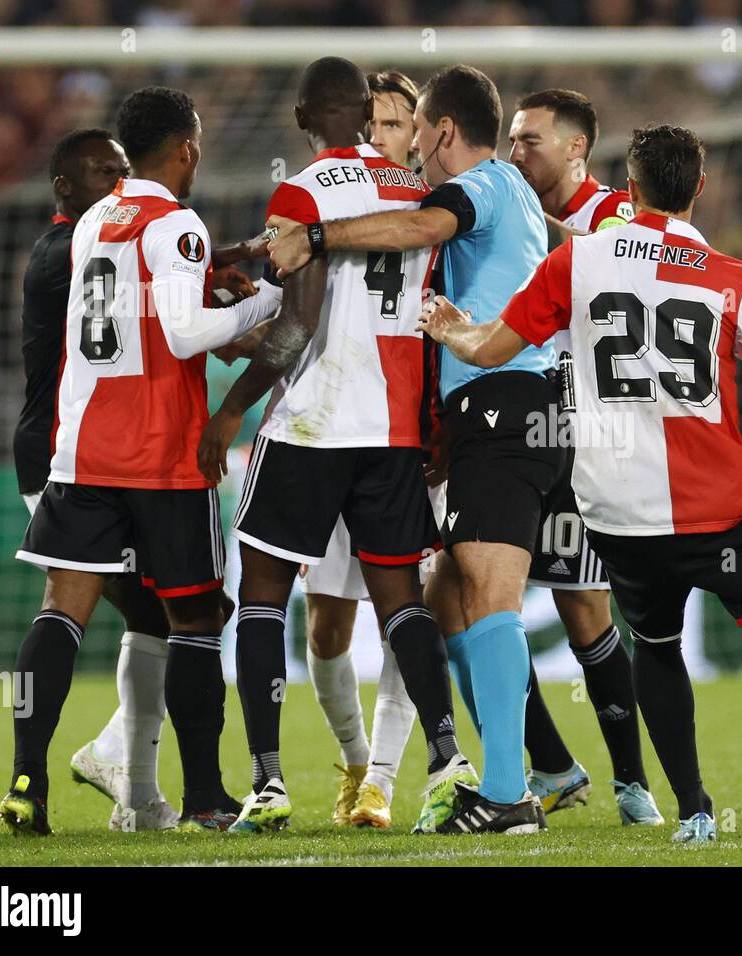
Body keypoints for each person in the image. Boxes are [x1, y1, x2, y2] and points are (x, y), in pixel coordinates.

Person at [420, 124, 742, 845]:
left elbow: (490, 349)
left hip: (620, 513)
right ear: (699, 189)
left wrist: (452, 330)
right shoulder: (735, 277)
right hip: (723, 507)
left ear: (628, 189)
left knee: (658, 647)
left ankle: (696, 809)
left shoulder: (575, 261)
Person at [268, 64, 563, 835]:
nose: (405, 151)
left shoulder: (485, 186)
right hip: (481, 414)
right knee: (443, 602)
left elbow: (421, 226)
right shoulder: (513, 196)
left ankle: (507, 793)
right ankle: (525, 769)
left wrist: (320, 234)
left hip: (506, 405)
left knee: (490, 598)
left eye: (413, 129)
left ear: (438, 131)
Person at [0, 86, 284, 836]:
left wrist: (211, 272)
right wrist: (268, 301)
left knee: (63, 609)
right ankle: (204, 799)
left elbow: (148, 304)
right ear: (187, 148)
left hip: (85, 450)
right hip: (162, 456)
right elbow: (188, 334)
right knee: (193, 618)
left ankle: (28, 782)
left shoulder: (95, 219)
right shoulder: (178, 221)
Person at [198, 57, 468, 836]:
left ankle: (268, 782)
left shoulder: (306, 191)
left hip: (312, 426)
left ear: (309, 115)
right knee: (400, 605)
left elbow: (298, 330)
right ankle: (448, 764)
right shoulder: (419, 197)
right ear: (365, 113)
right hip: (391, 431)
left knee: (260, 596)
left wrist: (228, 413)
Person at [505, 88, 660, 824]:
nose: (514, 154)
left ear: (575, 148)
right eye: (508, 140)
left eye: (529, 140)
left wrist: (532, 222)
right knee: (463, 598)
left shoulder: (615, 215)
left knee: (583, 612)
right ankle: (553, 763)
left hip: (581, 442)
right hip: (506, 432)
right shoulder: (512, 219)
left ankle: (632, 783)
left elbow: (621, 271)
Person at [295, 69, 424, 831]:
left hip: (402, 435)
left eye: (395, 124)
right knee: (326, 630)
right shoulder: (330, 190)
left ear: (418, 134)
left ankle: (382, 778)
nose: (380, 135)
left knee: (403, 614)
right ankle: (351, 760)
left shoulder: (434, 207)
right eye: (371, 122)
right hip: (329, 428)